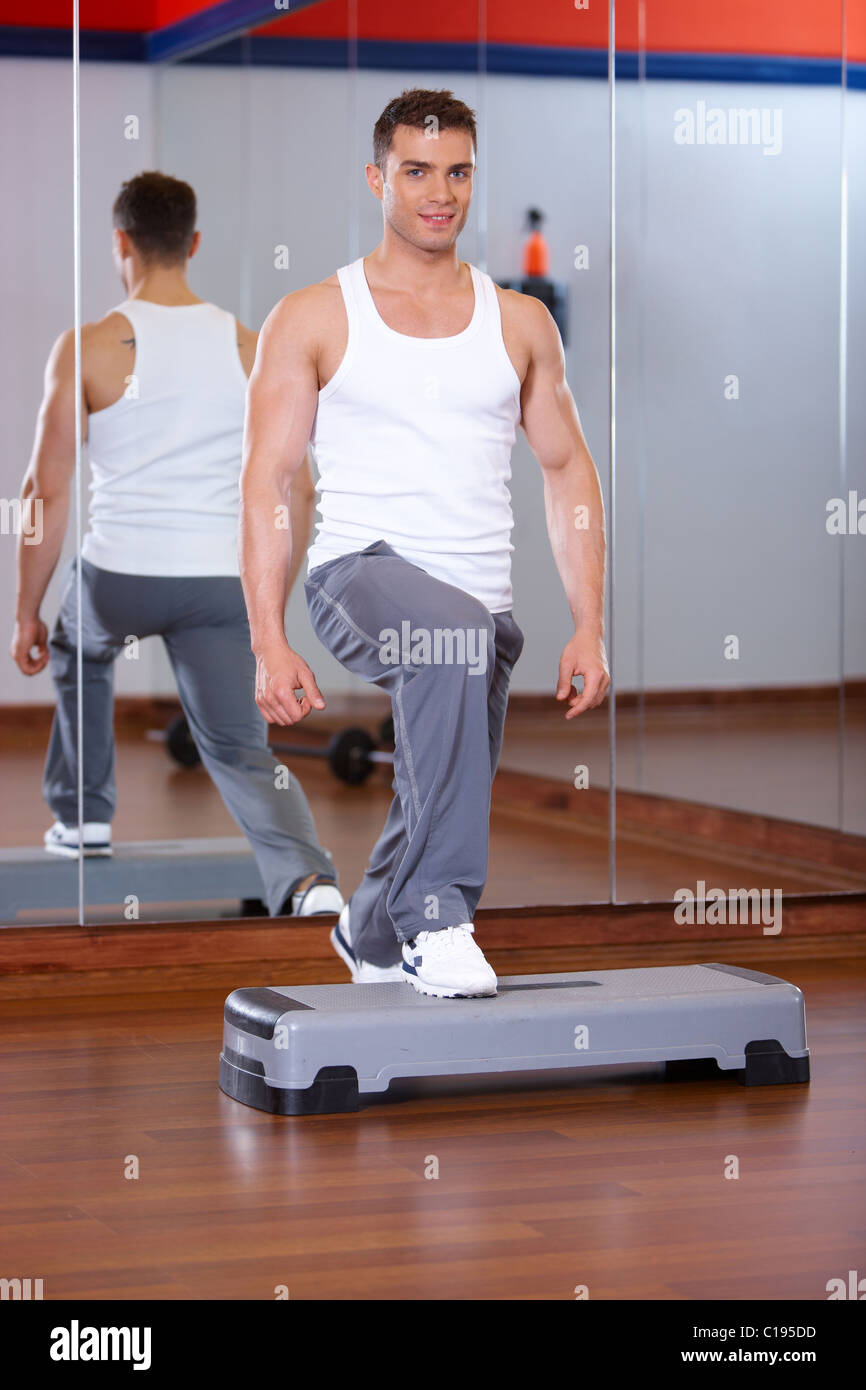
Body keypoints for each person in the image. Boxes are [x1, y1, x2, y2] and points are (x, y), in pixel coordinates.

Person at [240, 89, 610, 995]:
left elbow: (568, 475)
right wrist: (267, 637)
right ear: (378, 178)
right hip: (356, 571)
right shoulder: (315, 315)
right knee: (451, 649)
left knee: (440, 782)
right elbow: (268, 482)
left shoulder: (520, 322)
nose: (438, 193)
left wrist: (588, 623)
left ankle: (368, 934)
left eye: (457, 173)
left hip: (480, 609)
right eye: (416, 172)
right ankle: (438, 917)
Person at [10, 171, 342, 919]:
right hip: (219, 581)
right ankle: (307, 879)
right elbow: (300, 489)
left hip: (118, 574)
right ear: (193, 244)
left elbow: (43, 493)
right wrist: (265, 619)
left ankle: (85, 817)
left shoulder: (87, 346)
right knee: (237, 744)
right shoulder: (249, 343)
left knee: (76, 645)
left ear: (120, 244)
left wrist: (28, 613)